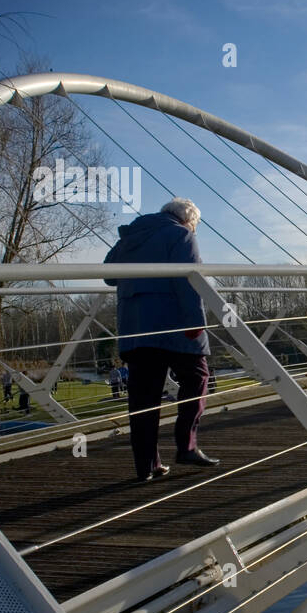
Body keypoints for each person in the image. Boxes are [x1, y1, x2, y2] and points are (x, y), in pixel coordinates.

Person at [104, 198, 220, 482]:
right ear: (189, 220)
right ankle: (187, 446)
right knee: (197, 380)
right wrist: (197, 323)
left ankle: (147, 466)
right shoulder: (181, 235)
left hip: (136, 328)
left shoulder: (130, 236)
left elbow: (109, 276)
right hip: (176, 325)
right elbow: (189, 281)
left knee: (143, 399)